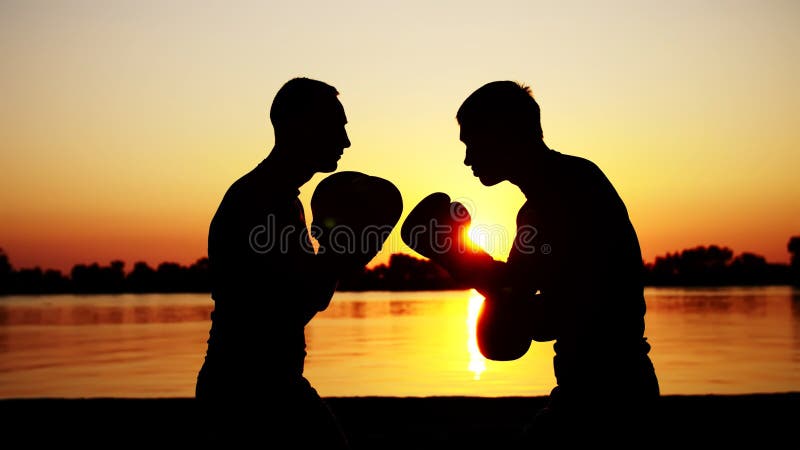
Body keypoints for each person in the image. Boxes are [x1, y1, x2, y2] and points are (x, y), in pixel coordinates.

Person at [401, 81, 659, 441]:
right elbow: (515, 299)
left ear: (502, 134)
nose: (468, 158)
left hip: (610, 390)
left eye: (472, 142)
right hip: (589, 384)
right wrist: (458, 254)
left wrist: (453, 253)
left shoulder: (571, 188)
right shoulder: (546, 199)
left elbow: (541, 313)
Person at [195, 77, 401, 448]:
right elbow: (286, 306)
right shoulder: (262, 200)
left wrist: (339, 254)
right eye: (337, 127)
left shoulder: (281, 199)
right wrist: (343, 254)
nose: (346, 141)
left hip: (261, 380)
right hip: (249, 386)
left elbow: (304, 297)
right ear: (300, 127)